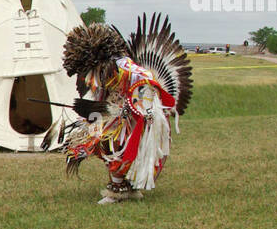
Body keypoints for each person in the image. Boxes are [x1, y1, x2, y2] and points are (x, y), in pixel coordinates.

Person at [47, 16, 192, 204]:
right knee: (103, 140)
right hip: (123, 112)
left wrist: (124, 110)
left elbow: (144, 90)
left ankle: (120, 189)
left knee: (116, 143)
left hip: (143, 115)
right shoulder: (104, 69)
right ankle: (123, 186)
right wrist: (97, 113)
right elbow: (102, 93)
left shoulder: (127, 68)